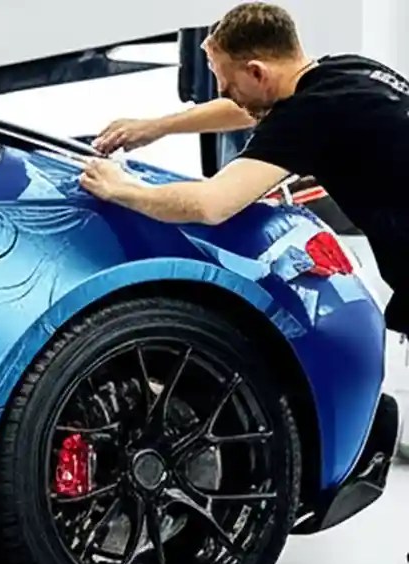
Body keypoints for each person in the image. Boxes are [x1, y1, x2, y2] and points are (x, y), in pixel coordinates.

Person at [78, 1, 409, 331]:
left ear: (256, 71)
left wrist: (120, 188)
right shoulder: (347, 71)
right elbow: (247, 108)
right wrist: (156, 127)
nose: (223, 93)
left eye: (228, 84)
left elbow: (210, 205)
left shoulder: (307, 116)